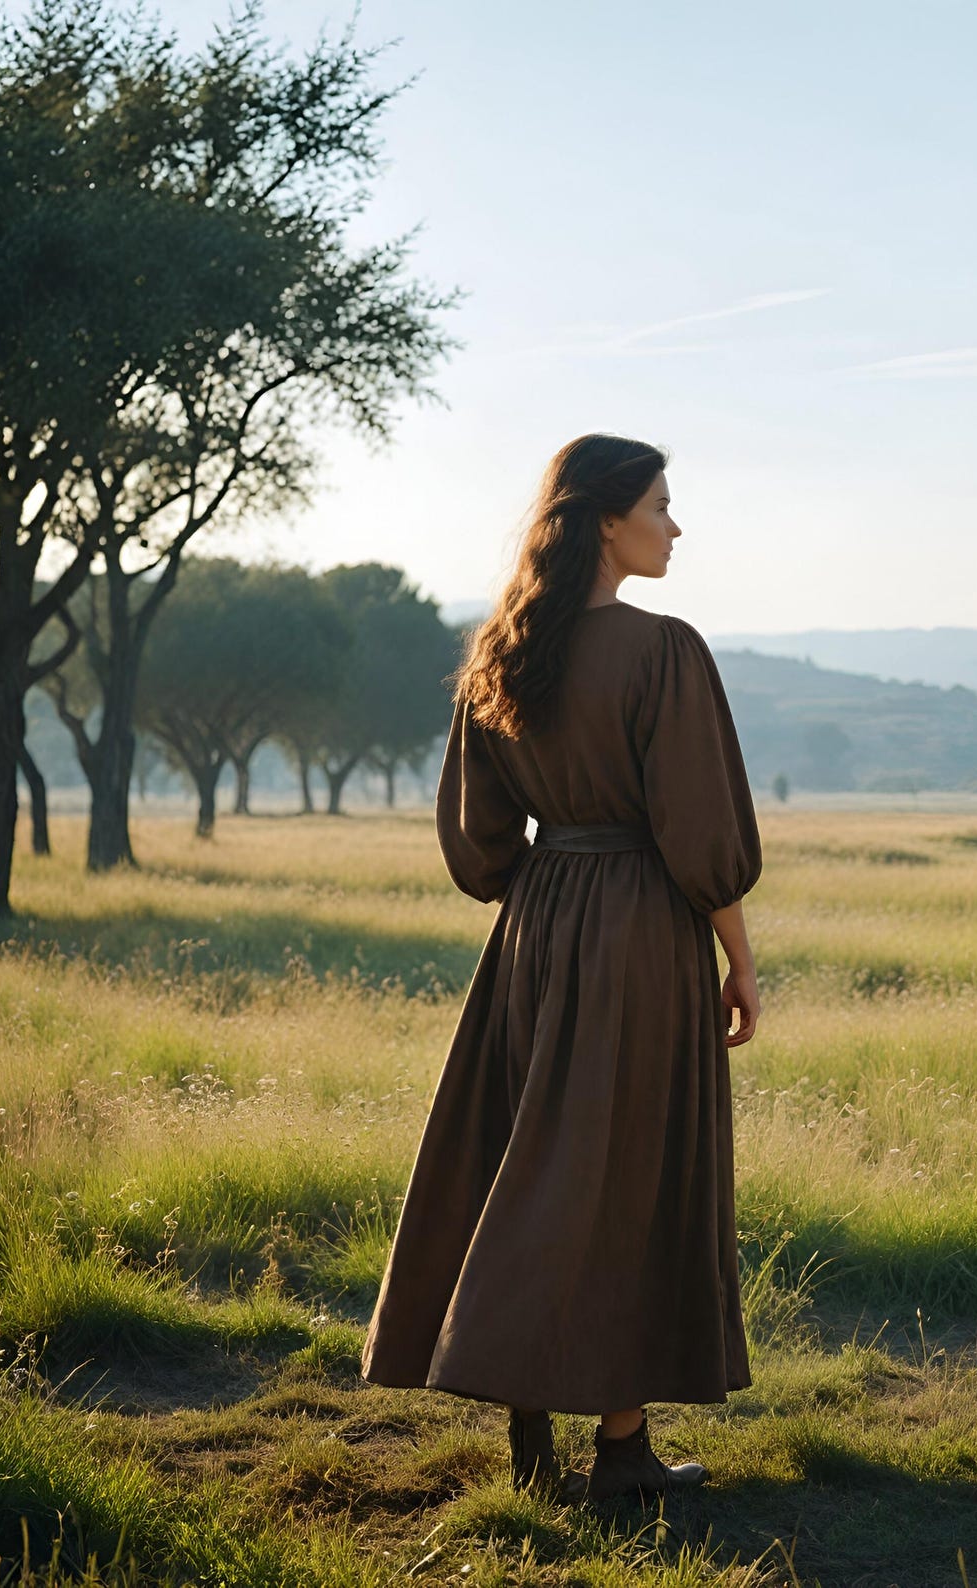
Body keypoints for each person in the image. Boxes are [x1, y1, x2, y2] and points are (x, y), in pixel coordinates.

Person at [359, 433, 763, 1506]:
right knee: (626, 1172)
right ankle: (621, 1452)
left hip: (536, 927)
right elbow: (699, 832)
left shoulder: (501, 651)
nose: (675, 527)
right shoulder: (663, 650)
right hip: (640, 929)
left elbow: (480, 846)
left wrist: (548, 882)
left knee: (523, 1160)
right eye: (661, 507)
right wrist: (738, 958)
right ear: (605, 522)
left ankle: (528, 1431)